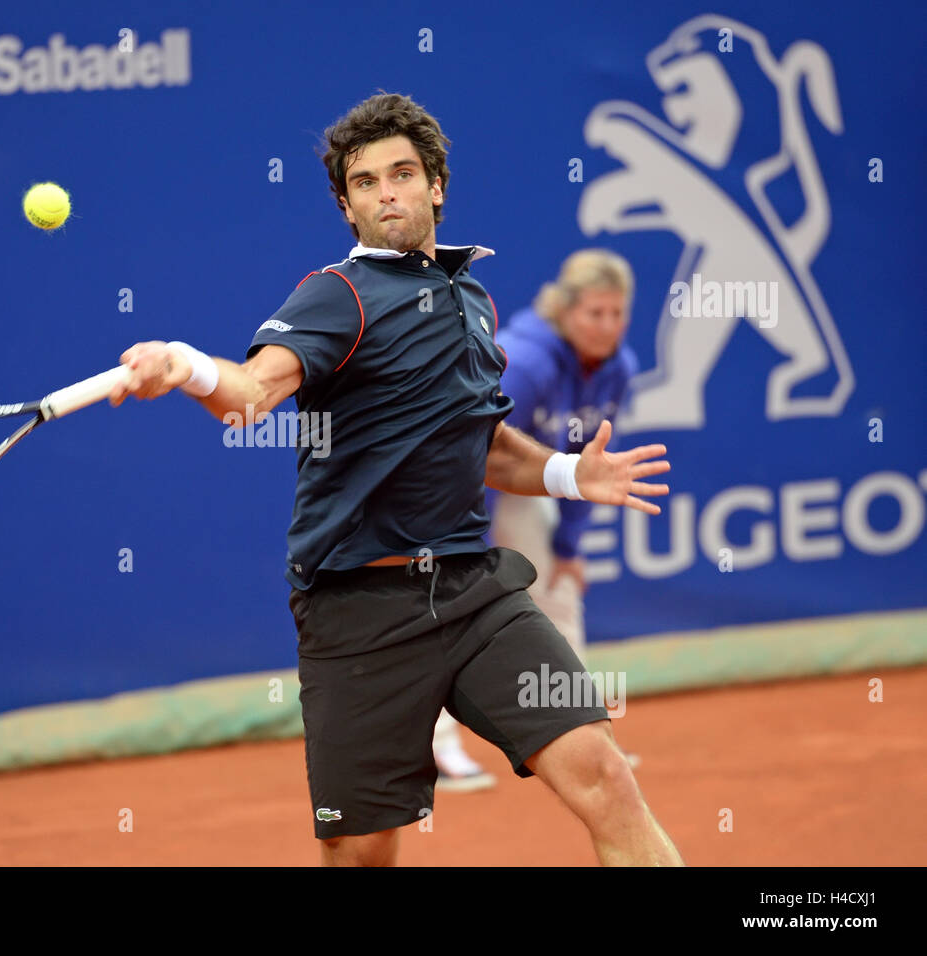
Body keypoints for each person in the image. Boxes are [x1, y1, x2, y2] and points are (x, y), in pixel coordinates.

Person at [110, 92, 683, 867]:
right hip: (358, 611)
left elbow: (476, 442)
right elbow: (250, 392)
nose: (388, 193)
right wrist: (180, 365)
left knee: (605, 775)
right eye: (367, 181)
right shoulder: (337, 295)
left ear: (435, 186)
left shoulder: (470, 299)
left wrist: (567, 474)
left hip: (474, 592)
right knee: (362, 853)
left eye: (403, 174)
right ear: (347, 206)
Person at [488, 250, 643, 769]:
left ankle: (583, 733)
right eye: (594, 313)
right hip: (476, 484)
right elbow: (475, 451)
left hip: (539, 484)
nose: (607, 326)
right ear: (565, 311)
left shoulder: (619, 367)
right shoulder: (525, 363)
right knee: (452, 611)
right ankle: (437, 749)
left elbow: (591, 466)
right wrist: (465, 541)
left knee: (561, 588)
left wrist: (569, 547)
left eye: (617, 313)